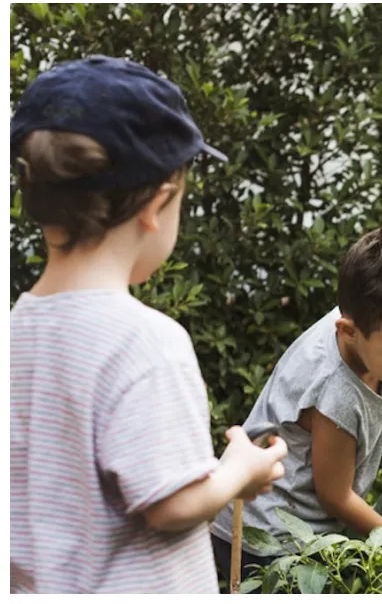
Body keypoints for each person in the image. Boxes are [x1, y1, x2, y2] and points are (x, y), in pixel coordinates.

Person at [9, 56, 289, 593]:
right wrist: (237, 472)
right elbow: (172, 503)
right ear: (157, 204)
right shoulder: (145, 342)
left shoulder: (15, 335)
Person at [209, 223, 382, 585]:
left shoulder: (369, 320)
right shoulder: (337, 391)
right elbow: (335, 497)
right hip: (268, 543)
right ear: (348, 332)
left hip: (292, 527)